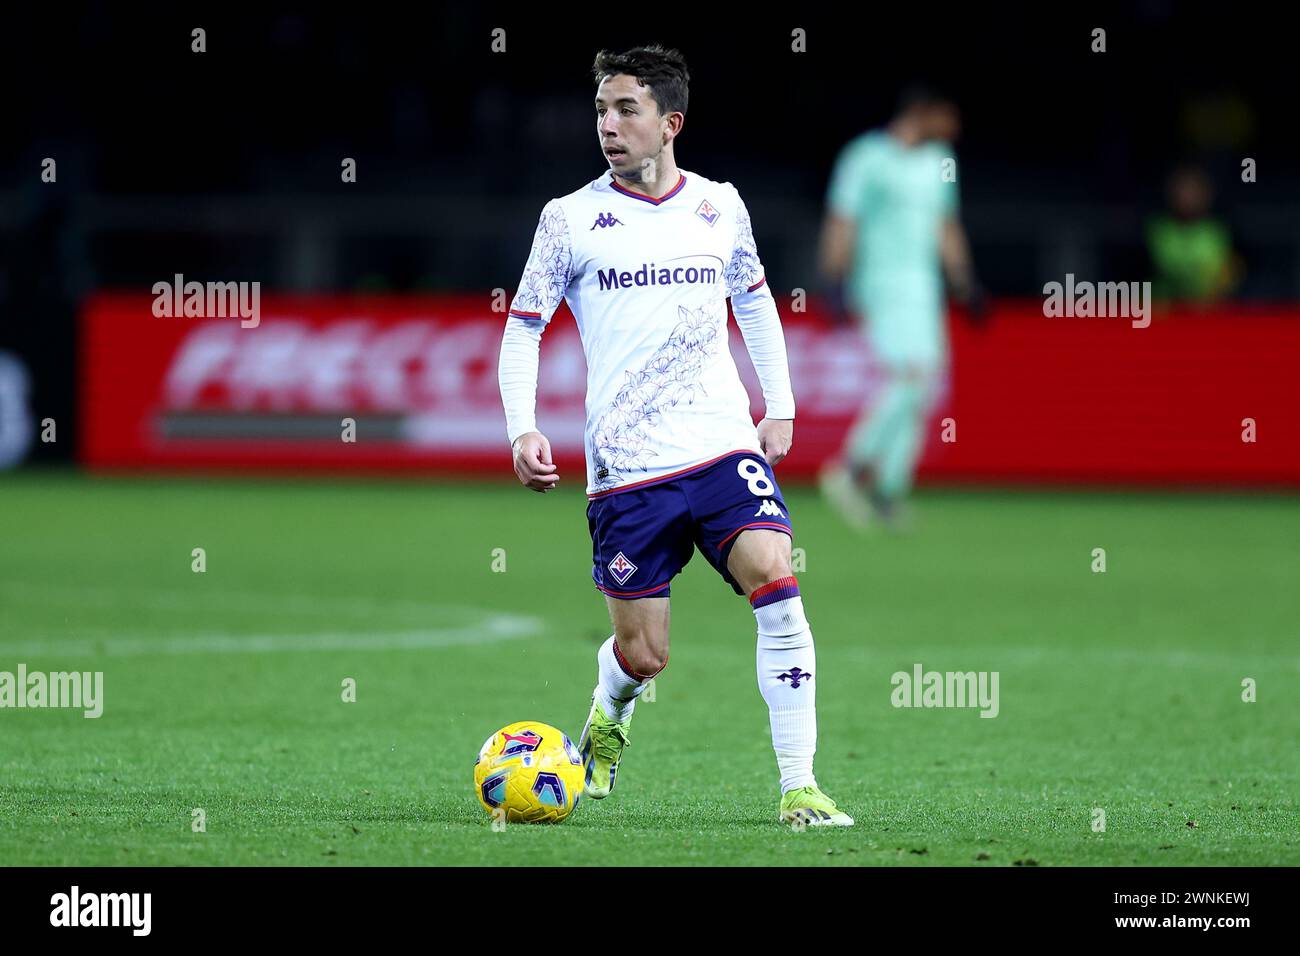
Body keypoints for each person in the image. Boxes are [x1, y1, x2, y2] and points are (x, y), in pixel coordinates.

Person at [497, 44, 851, 826]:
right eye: (601, 109)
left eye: (626, 109)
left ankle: (800, 785)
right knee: (645, 655)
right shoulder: (568, 220)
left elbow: (755, 303)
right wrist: (521, 429)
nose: (609, 125)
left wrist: (780, 406)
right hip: (627, 469)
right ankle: (610, 710)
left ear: (670, 122)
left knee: (776, 580)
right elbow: (523, 329)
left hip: (723, 445)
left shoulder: (721, 205)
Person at [816, 86, 981, 530]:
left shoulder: (940, 161)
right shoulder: (865, 157)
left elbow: (945, 224)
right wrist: (833, 277)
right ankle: (850, 467)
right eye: (947, 116)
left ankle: (889, 489)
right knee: (908, 377)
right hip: (880, 283)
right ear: (922, 112)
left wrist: (965, 281)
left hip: (924, 288)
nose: (953, 128)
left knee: (923, 387)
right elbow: (842, 219)